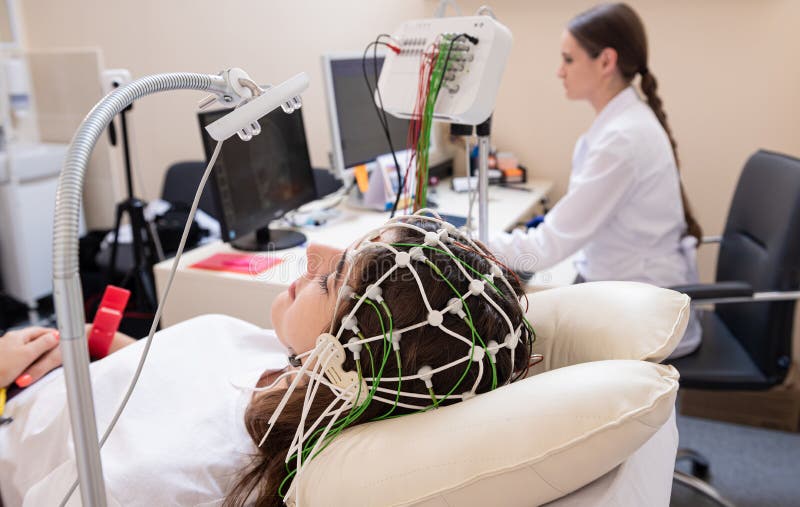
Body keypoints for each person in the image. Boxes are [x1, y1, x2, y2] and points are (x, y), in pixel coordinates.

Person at [0, 215, 533, 507]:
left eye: (330, 280)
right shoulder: (291, 368)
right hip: (55, 370)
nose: (313, 255)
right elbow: (171, 388)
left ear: (346, 358)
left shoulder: (145, 481)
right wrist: (108, 355)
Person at [490, 2, 701, 357]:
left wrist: (466, 239)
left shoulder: (623, 139)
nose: (559, 71)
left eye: (569, 60)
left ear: (606, 62)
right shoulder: (625, 124)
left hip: (645, 310)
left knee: (517, 339)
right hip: (631, 287)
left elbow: (544, 250)